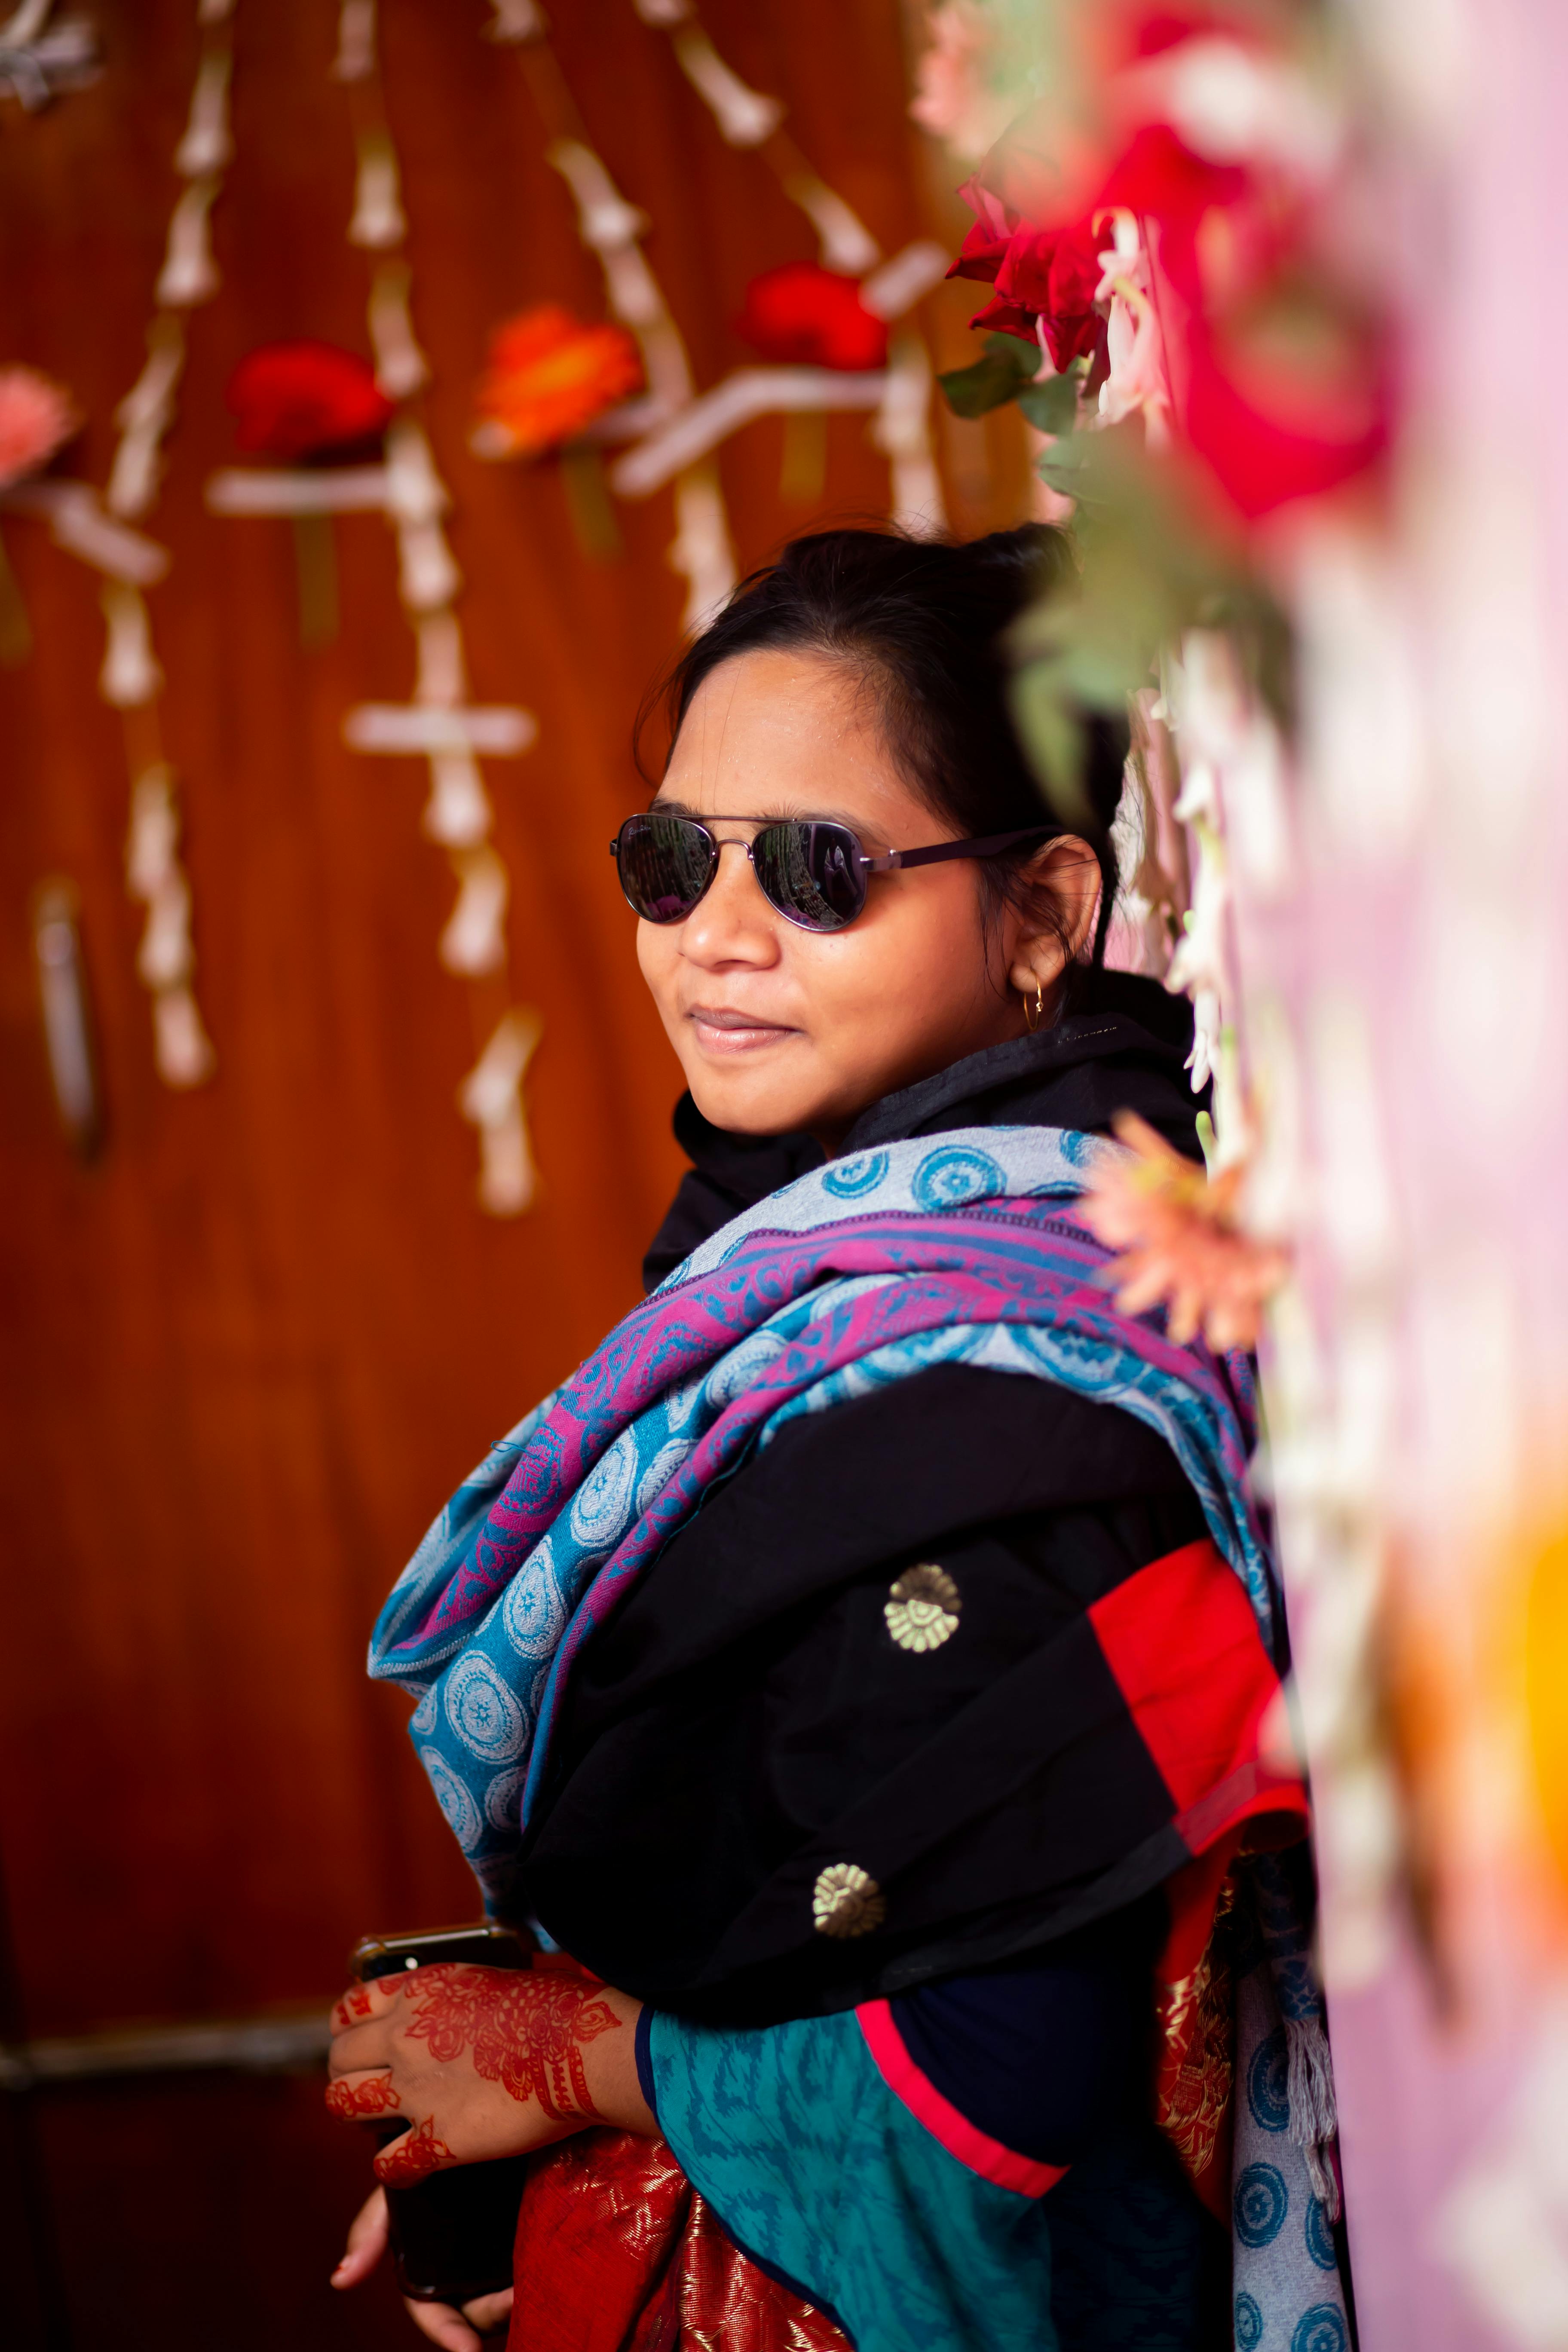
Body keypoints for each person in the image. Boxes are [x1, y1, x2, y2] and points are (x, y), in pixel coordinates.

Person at [328, 528, 1347, 2352]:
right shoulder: (835, 1256)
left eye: (817, 870)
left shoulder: (1010, 1386)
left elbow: (1005, 2081)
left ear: (1039, 915)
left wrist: (570, 2068)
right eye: (670, 861)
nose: (713, 935)